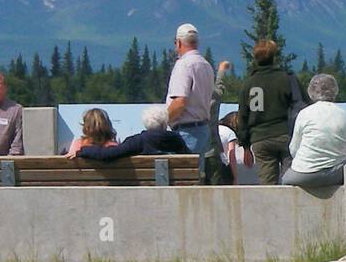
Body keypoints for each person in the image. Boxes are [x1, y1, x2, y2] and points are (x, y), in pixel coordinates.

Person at [237, 39, 309, 185]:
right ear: (274, 56)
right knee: (290, 181)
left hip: (260, 139)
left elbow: (242, 117)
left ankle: (269, 206)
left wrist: (245, 146)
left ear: (255, 58)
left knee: (267, 184)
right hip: (285, 134)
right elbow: (303, 105)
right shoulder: (286, 78)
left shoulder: (248, 84)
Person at [166, 22, 217, 180]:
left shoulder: (184, 65)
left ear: (179, 42)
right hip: (202, 128)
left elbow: (180, 102)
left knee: (182, 179)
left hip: (185, 131)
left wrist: (164, 120)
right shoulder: (206, 65)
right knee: (196, 178)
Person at [282, 74, 346, 187]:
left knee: (285, 179)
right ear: (335, 91)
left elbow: (294, 149)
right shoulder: (344, 115)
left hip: (304, 174)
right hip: (336, 174)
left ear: (311, 92)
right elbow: (344, 146)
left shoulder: (304, 113)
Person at [71, 105, 190, 161]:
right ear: (165, 123)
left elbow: (106, 155)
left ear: (145, 122)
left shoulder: (138, 141)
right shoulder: (177, 140)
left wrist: (82, 150)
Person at [218, 111, 242, 184]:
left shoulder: (215, 128)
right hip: (223, 166)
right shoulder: (230, 133)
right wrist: (235, 177)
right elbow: (231, 156)